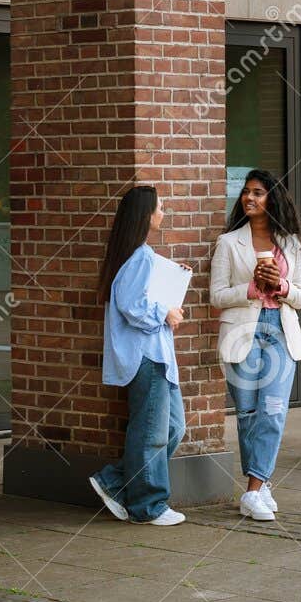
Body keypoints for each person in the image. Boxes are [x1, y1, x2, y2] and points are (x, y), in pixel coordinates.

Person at [210, 169, 301, 520]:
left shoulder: (292, 244)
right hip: (242, 334)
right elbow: (217, 295)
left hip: (280, 333)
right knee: (249, 413)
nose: (249, 198)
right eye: (246, 192)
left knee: (273, 409)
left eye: (258, 193)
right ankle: (261, 486)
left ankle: (253, 489)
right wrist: (251, 288)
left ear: (273, 199)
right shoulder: (228, 242)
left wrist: (280, 286)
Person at [89, 184, 188, 526]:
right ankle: (149, 506)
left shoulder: (141, 255)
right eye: (160, 207)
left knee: (174, 427)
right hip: (146, 356)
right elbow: (133, 305)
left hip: (157, 355)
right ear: (145, 214)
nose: (164, 213)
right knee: (152, 432)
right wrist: (165, 313)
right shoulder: (140, 256)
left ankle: (114, 481)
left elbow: (141, 294)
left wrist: (173, 278)